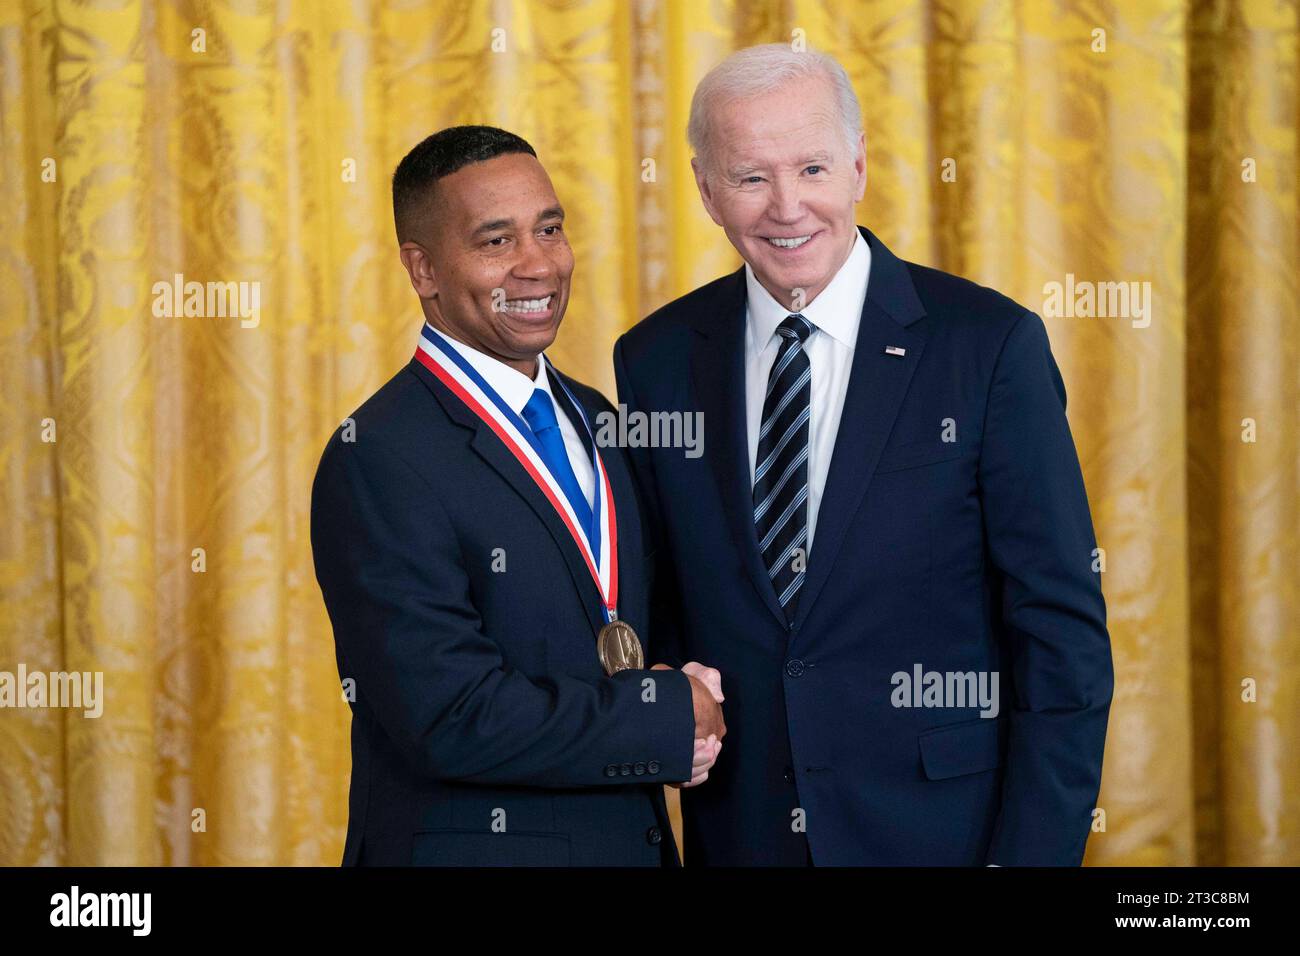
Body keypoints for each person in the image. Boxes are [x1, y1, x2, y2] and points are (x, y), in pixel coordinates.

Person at [614, 45, 1113, 865]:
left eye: (812, 168)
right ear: (705, 191)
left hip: (945, 838)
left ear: (857, 167)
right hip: (745, 838)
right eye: (750, 178)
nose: (787, 207)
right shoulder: (656, 359)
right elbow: (662, 598)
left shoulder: (987, 347)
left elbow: (1061, 639)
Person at [311, 125, 724, 866]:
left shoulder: (603, 419)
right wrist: (661, 720)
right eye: (496, 241)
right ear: (423, 268)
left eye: (551, 228)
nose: (538, 265)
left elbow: (638, 628)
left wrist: (690, 696)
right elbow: (447, 714)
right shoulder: (376, 455)